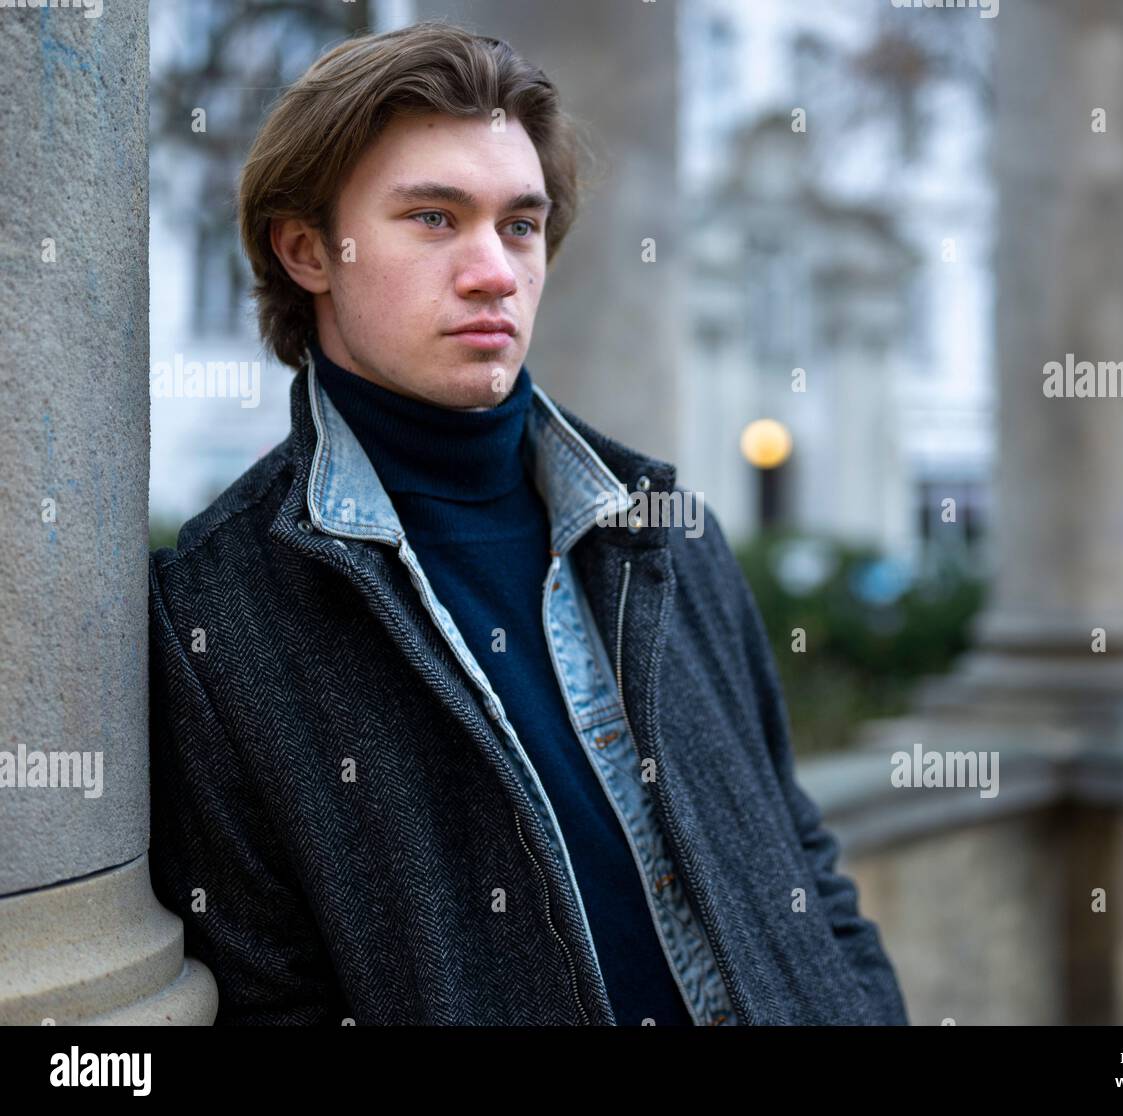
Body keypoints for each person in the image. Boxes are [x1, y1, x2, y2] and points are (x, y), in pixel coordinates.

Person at [147, 18, 908, 1026]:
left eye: (519, 224)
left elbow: (797, 857)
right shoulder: (218, 610)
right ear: (306, 250)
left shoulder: (664, 529)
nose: (495, 271)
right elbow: (271, 1000)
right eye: (433, 218)